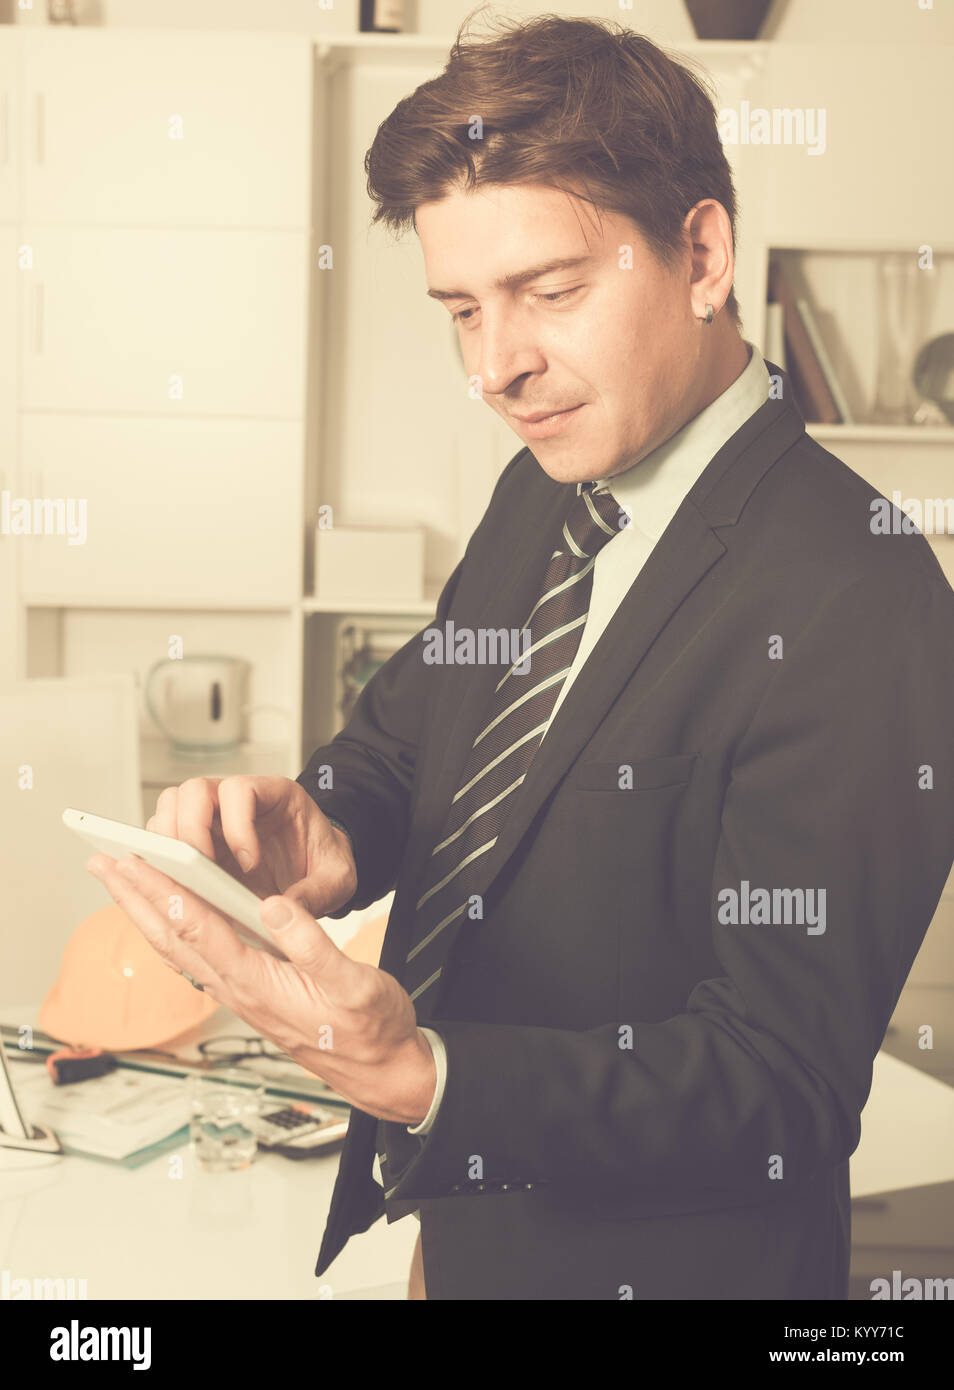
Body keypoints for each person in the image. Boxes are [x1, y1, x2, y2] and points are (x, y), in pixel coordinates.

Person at [90, 14, 954, 1300]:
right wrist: (324, 830)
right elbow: (409, 740)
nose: (499, 366)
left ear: (703, 253)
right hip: (462, 1247)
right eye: (461, 309)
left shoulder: (866, 591)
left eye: (552, 293)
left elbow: (782, 1087)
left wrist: (426, 1075)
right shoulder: (547, 485)